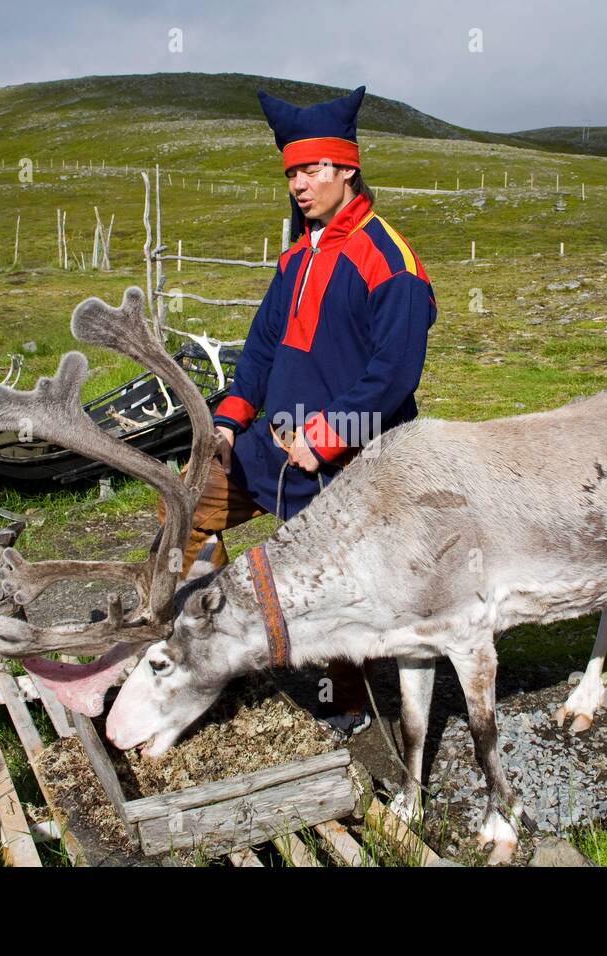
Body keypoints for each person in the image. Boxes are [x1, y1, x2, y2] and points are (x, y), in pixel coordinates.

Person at [154, 84, 437, 737]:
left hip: (356, 456)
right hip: (270, 445)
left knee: (331, 587)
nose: (299, 185)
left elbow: (394, 373)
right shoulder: (298, 256)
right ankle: (210, 645)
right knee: (191, 508)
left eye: (310, 170)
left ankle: (347, 707)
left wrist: (331, 431)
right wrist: (229, 419)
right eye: (291, 173)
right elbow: (260, 346)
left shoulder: (391, 260)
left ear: (346, 168)